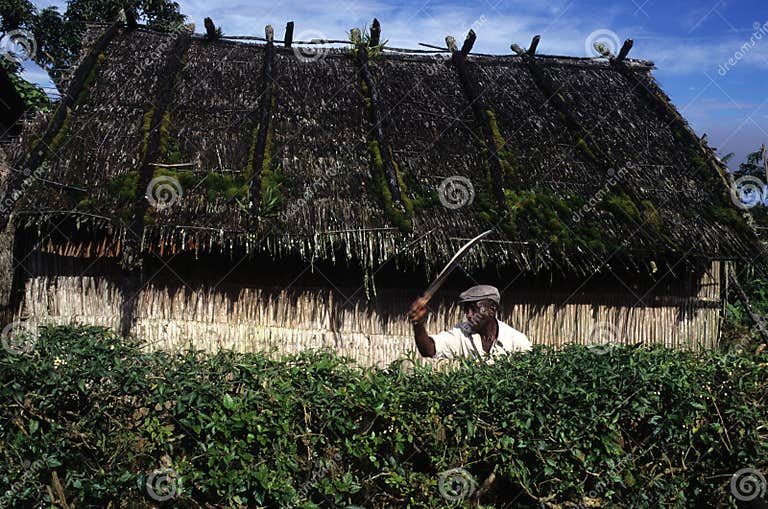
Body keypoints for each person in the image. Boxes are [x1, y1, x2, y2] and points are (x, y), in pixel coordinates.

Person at [408, 284, 531, 360]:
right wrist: (418, 323)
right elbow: (428, 350)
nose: (469, 315)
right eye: (466, 310)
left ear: (492, 310)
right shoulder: (462, 334)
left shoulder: (517, 342)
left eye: (474, 309)